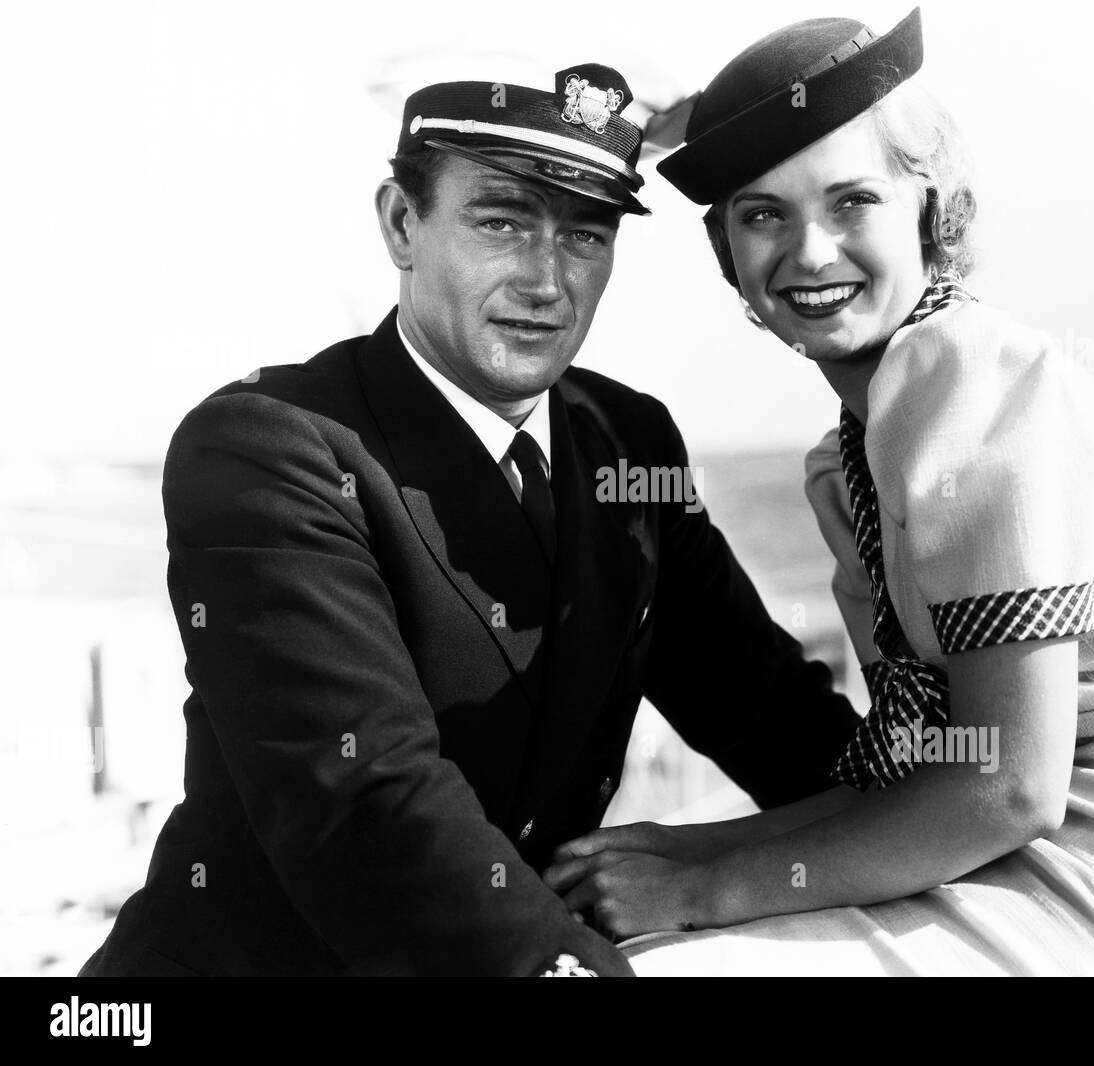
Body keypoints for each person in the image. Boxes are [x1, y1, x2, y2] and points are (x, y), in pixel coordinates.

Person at [544, 11, 1094, 975]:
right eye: (763, 213)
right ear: (729, 259)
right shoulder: (858, 453)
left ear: (931, 213)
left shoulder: (964, 378)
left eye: (852, 202)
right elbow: (931, 766)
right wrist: (690, 847)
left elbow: (1007, 786)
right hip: (1067, 840)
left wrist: (705, 887)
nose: (810, 252)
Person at [77, 62, 859, 978]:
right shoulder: (268, 447)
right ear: (401, 224)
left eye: (584, 234)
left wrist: (956, 809)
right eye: (501, 222)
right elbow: (371, 808)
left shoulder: (626, 441)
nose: (546, 281)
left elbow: (771, 714)